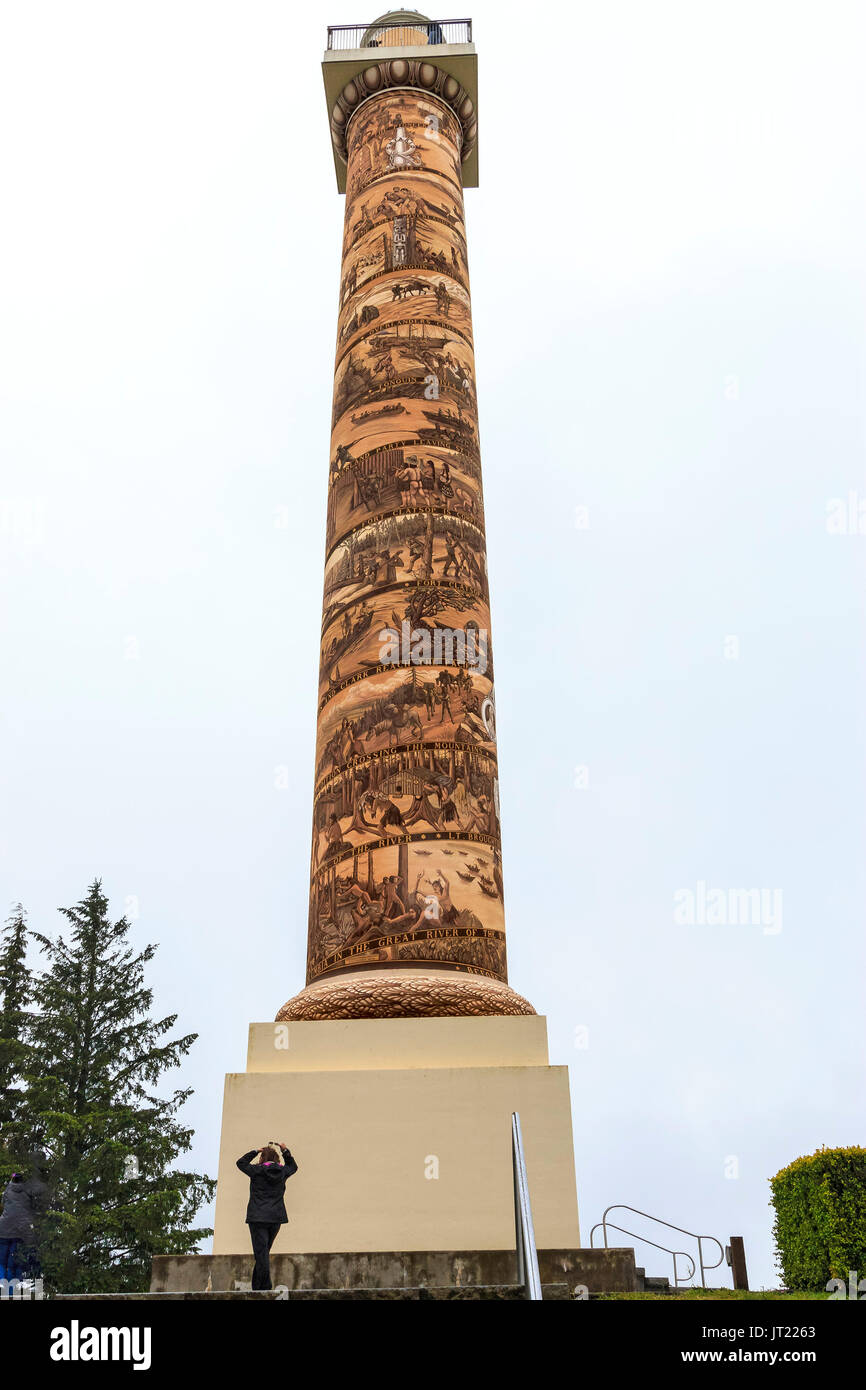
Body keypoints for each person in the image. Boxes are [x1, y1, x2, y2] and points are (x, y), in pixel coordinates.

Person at [236, 1142, 298, 1291]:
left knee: (261, 1253)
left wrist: (255, 1151)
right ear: (276, 1159)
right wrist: (285, 1151)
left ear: (262, 1158)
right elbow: (293, 1166)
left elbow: (240, 1163)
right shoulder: (283, 1172)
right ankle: (258, 1287)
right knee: (263, 1252)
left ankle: (265, 1288)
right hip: (276, 1218)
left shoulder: (256, 1170)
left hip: (257, 1218)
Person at [0, 1172, 34, 1283]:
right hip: (20, 1231)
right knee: (14, 1261)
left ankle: (1, 1282)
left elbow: (3, 1204)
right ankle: (11, 1289)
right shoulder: (27, 1193)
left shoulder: (7, 1191)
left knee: (1, 1260)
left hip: (3, 1229)